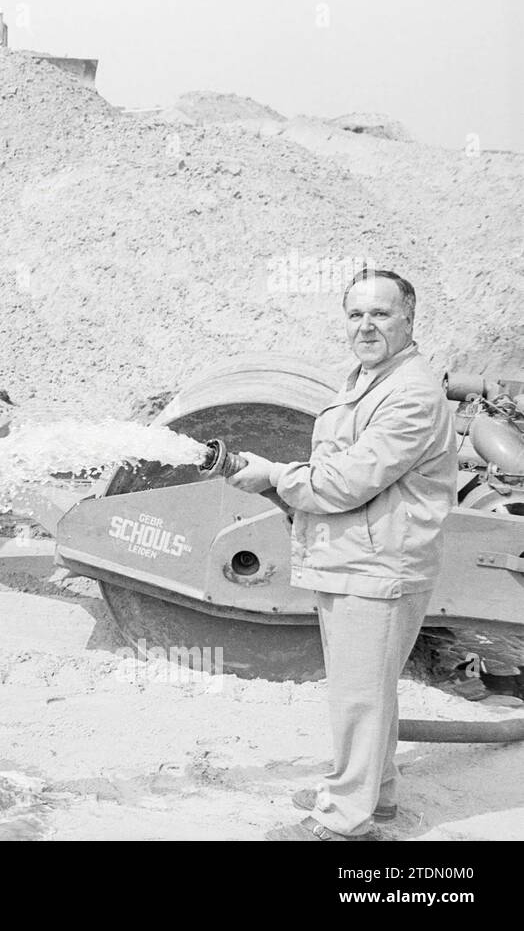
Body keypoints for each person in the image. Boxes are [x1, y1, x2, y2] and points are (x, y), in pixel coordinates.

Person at [226, 268, 457, 841]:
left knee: (358, 699)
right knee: (368, 691)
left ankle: (343, 822)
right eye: (355, 315)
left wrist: (273, 475)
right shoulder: (367, 377)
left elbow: (345, 481)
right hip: (357, 559)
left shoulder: (411, 393)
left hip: (379, 567)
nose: (366, 326)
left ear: (409, 318)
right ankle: (374, 800)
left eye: (380, 314)